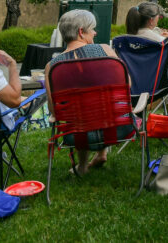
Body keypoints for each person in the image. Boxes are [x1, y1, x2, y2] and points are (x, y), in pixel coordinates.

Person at [45, 9, 118, 176]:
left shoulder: (53, 66)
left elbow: (53, 109)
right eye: (92, 29)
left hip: (76, 133)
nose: (95, 32)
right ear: (81, 32)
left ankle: (83, 166)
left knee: (81, 112)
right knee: (100, 102)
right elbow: (127, 85)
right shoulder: (106, 51)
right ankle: (101, 153)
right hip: (116, 128)